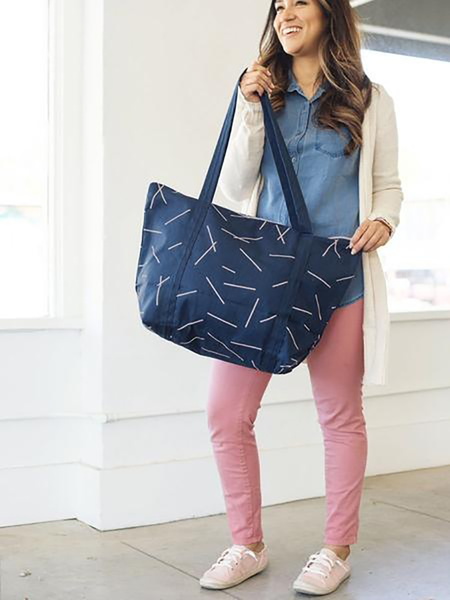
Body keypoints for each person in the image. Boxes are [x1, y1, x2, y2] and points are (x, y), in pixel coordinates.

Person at [200, 0, 403, 595]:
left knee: (340, 416)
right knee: (225, 414)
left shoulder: (371, 98)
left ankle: (335, 550)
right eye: (279, 6)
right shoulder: (261, 92)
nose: (286, 13)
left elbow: (387, 186)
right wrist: (246, 105)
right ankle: (247, 543)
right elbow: (236, 185)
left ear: (329, 14)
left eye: (300, 2)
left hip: (340, 275)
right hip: (266, 276)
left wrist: (384, 222)